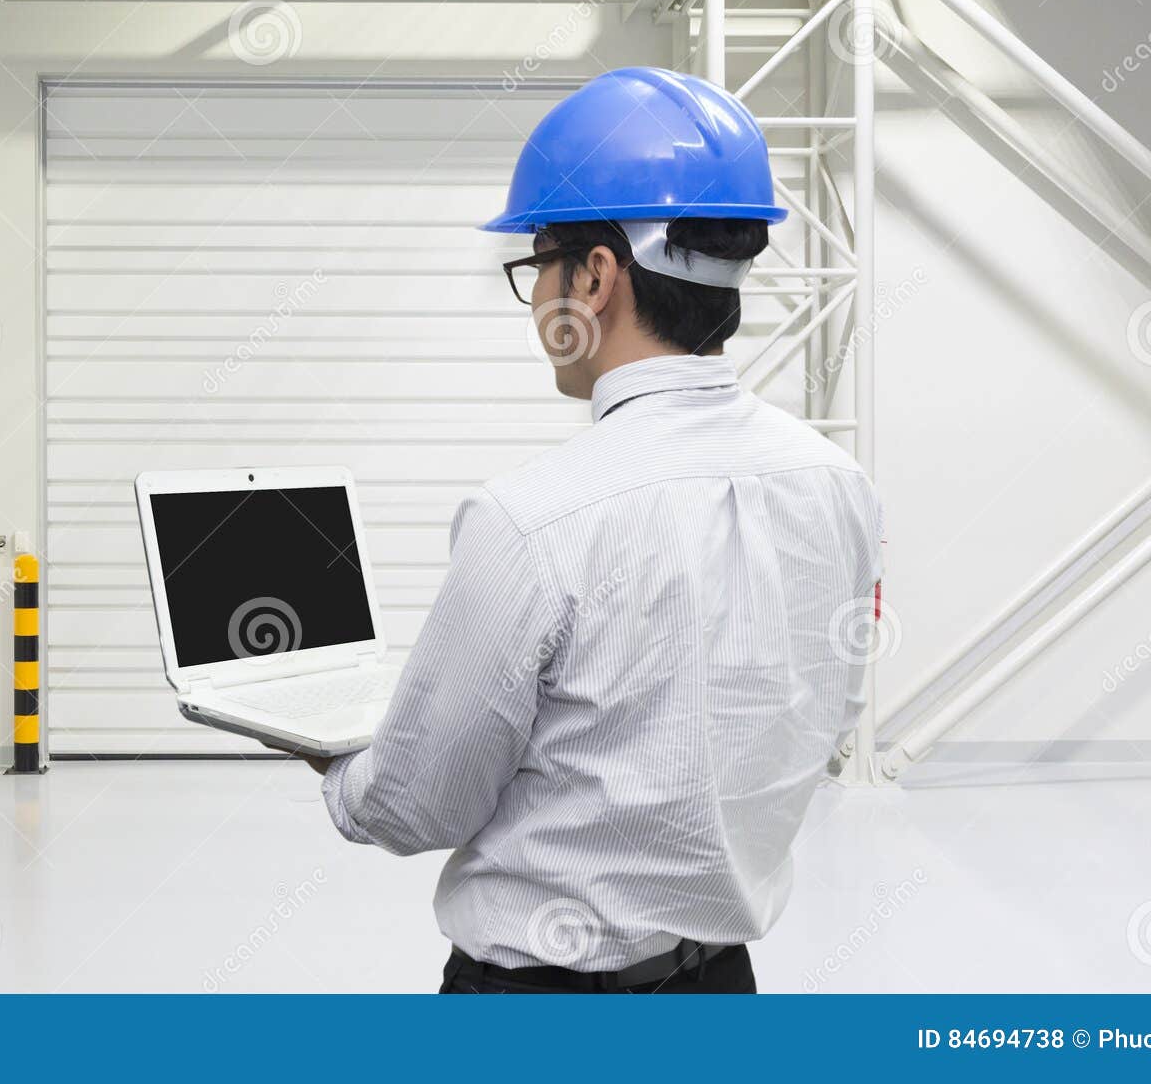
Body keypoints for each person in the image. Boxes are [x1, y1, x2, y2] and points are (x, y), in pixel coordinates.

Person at [306, 67, 883, 994]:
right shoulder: (837, 483)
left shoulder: (531, 520)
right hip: (723, 988)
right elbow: (824, 720)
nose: (537, 299)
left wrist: (338, 759)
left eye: (539, 265)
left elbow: (418, 802)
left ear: (597, 276)